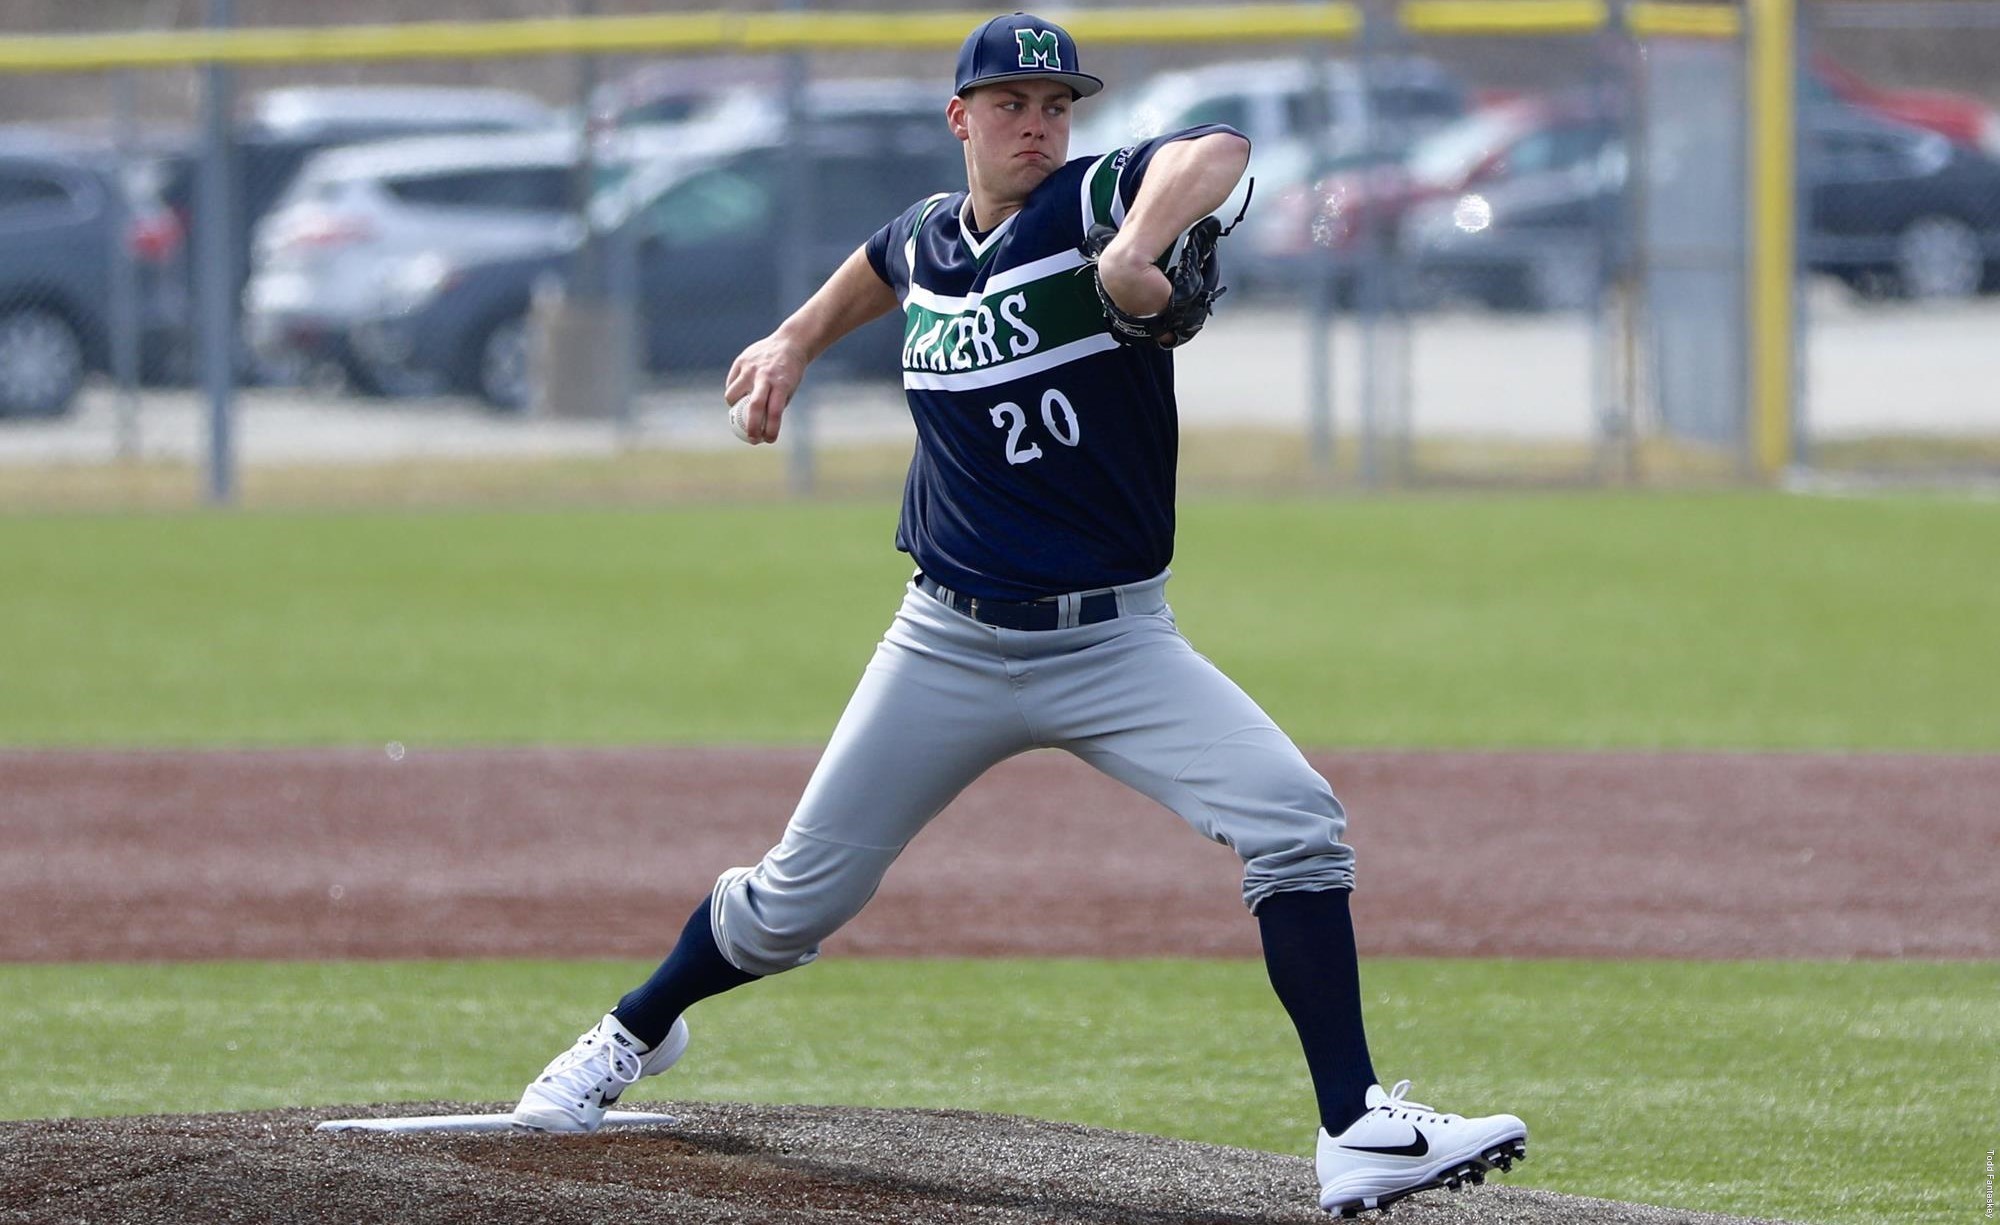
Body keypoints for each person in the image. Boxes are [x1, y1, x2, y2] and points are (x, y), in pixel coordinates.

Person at [512, 12, 1527, 1216]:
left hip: (1113, 643)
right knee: (792, 903)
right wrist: (788, 340)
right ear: (960, 119)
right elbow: (882, 263)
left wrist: (1134, 248)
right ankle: (631, 1033)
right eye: (1009, 104)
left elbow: (1219, 147)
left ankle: (1354, 1125)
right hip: (943, 639)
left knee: (1296, 821)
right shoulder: (931, 238)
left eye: (1053, 105)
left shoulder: (1090, 201)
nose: (1036, 124)